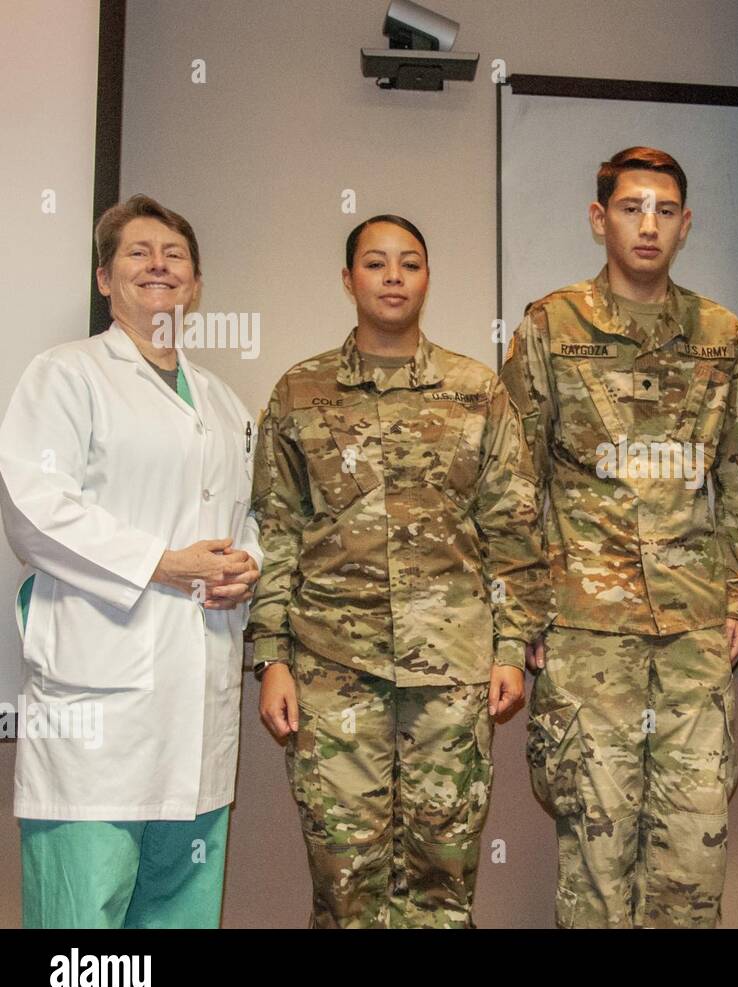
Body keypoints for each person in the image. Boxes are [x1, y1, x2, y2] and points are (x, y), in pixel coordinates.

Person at [251, 214, 548, 928]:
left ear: (427, 279)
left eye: (409, 264)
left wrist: (511, 647)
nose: (393, 278)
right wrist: (271, 659)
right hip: (332, 673)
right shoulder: (301, 393)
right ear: (348, 279)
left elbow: (513, 528)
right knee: (343, 882)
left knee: (443, 883)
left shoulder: (476, 391)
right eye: (376, 264)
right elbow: (277, 531)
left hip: (450, 676)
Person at [501, 147, 738, 928]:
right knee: (598, 858)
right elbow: (514, 480)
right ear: (598, 218)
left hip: (693, 632)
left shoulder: (720, 334)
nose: (649, 225)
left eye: (665, 210)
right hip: (586, 632)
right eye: (631, 207)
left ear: (686, 225)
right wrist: (522, 617)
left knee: (695, 852)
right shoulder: (551, 325)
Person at [0, 194, 261, 928]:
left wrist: (249, 565)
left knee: (177, 914)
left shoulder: (225, 406)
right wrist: (161, 562)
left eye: (174, 255)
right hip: (97, 720)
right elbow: (33, 508)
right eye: (137, 254)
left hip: (197, 713)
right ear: (105, 279)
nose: (158, 265)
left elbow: (246, 522)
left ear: (196, 283)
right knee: (83, 933)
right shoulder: (67, 375)